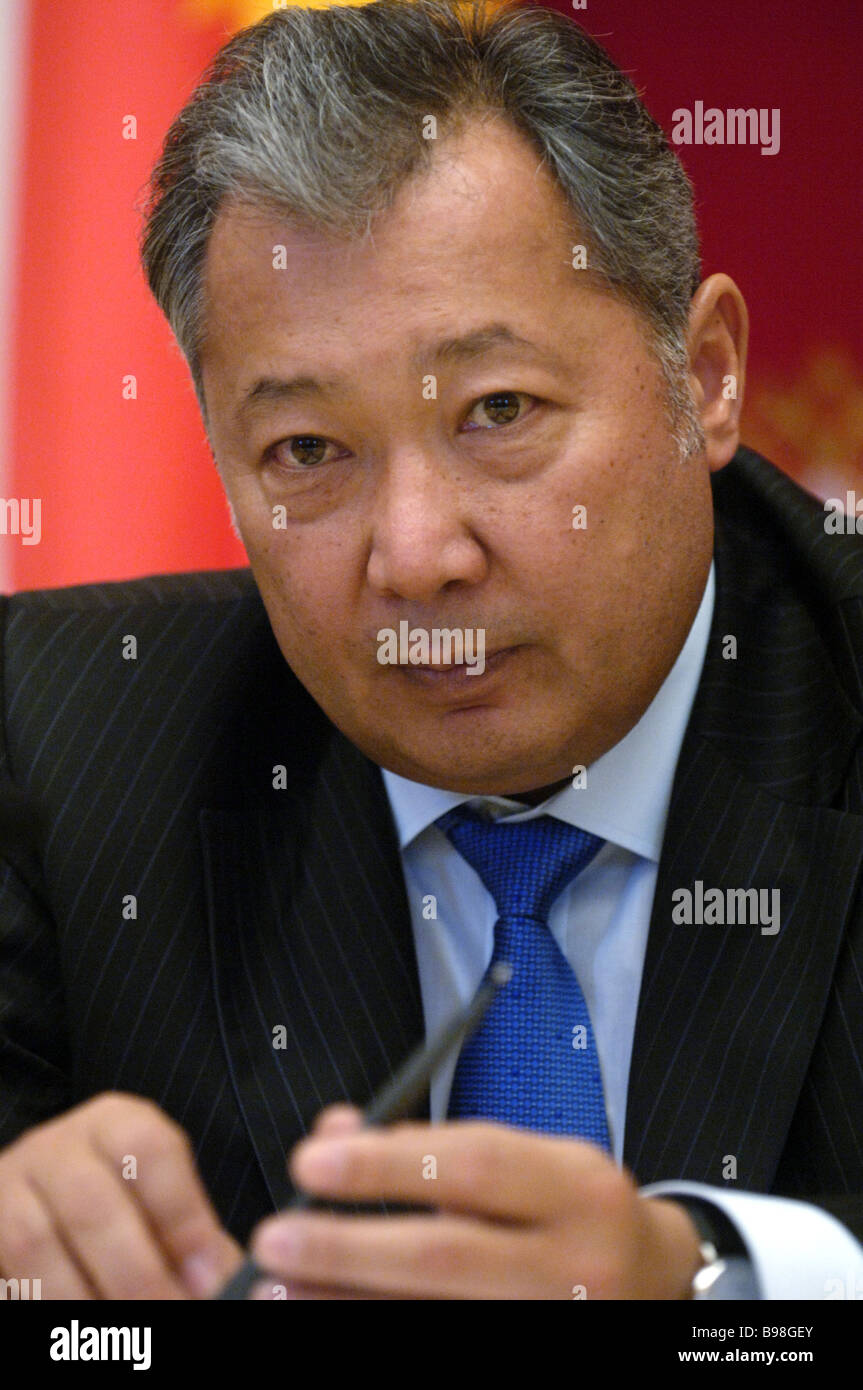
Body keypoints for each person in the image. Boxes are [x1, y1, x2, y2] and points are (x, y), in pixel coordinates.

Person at [1, 0, 862, 1301]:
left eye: (497, 410)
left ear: (709, 374)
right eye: (307, 451)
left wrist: (713, 1284)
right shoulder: (61, 740)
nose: (414, 555)